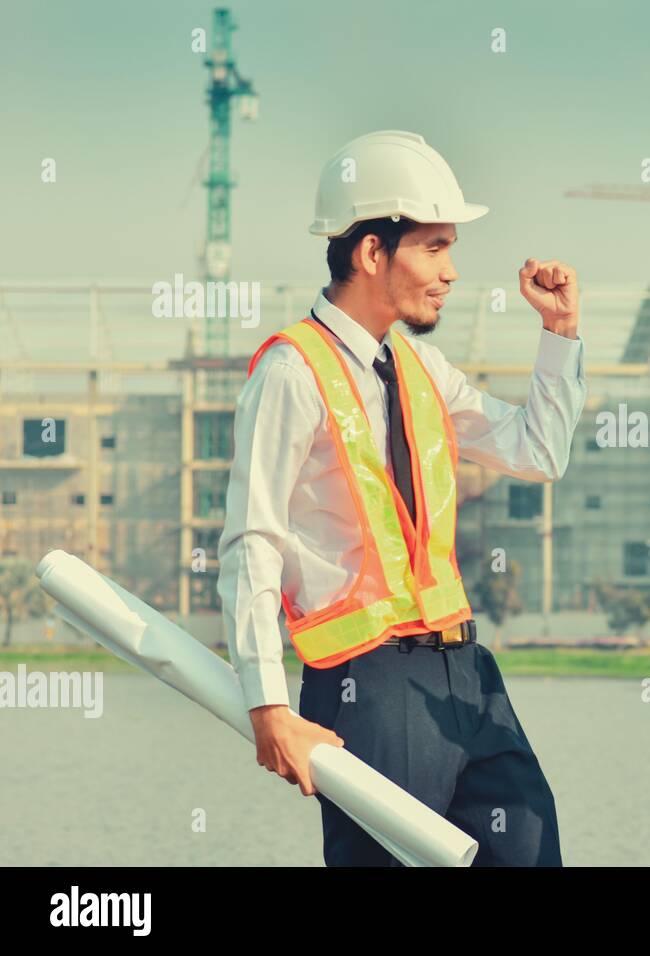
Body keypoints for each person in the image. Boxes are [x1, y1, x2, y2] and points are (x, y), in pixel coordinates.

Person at [217, 130, 587, 866]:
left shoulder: (420, 365)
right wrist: (268, 706)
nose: (451, 272)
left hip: (466, 675)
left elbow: (537, 452)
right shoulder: (291, 373)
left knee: (532, 851)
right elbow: (251, 538)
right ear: (371, 254)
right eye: (435, 247)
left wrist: (560, 333)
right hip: (366, 684)